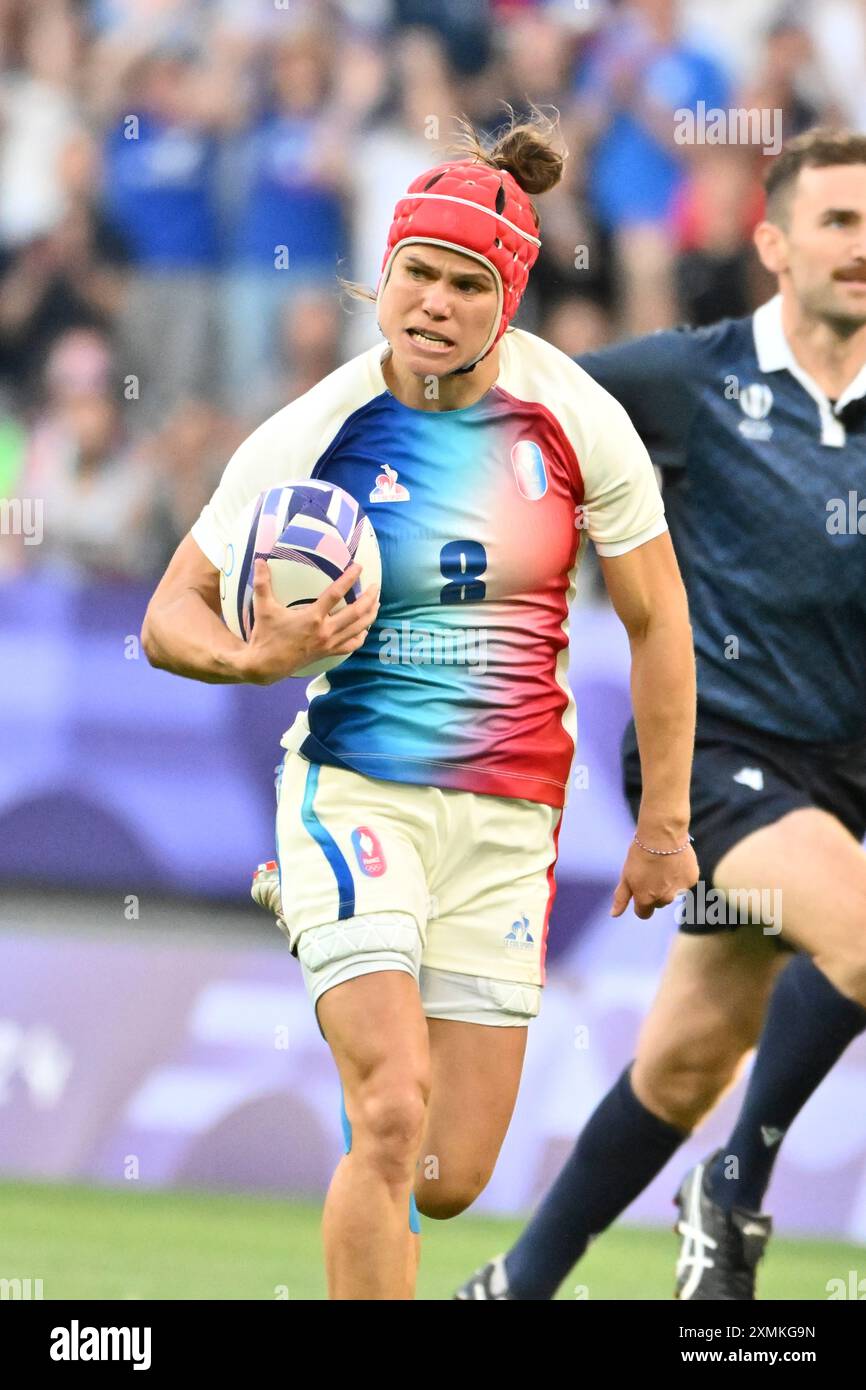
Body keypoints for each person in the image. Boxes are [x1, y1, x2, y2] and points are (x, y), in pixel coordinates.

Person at [141, 111, 697, 1301]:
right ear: (379, 275)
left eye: (463, 282)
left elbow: (657, 621)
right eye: (414, 274)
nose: (432, 303)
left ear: (509, 298)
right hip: (355, 794)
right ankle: (322, 894)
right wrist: (252, 657)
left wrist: (663, 821)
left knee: (444, 1170)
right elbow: (166, 614)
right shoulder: (316, 428)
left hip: (507, 824)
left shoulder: (577, 417)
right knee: (390, 1109)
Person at [456, 127, 866, 1302]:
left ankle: (516, 1282)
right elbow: (512, 388)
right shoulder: (686, 381)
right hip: (720, 764)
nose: (859, 247)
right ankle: (729, 1200)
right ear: (773, 243)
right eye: (836, 223)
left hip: (841, 776)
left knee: (683, 1064)